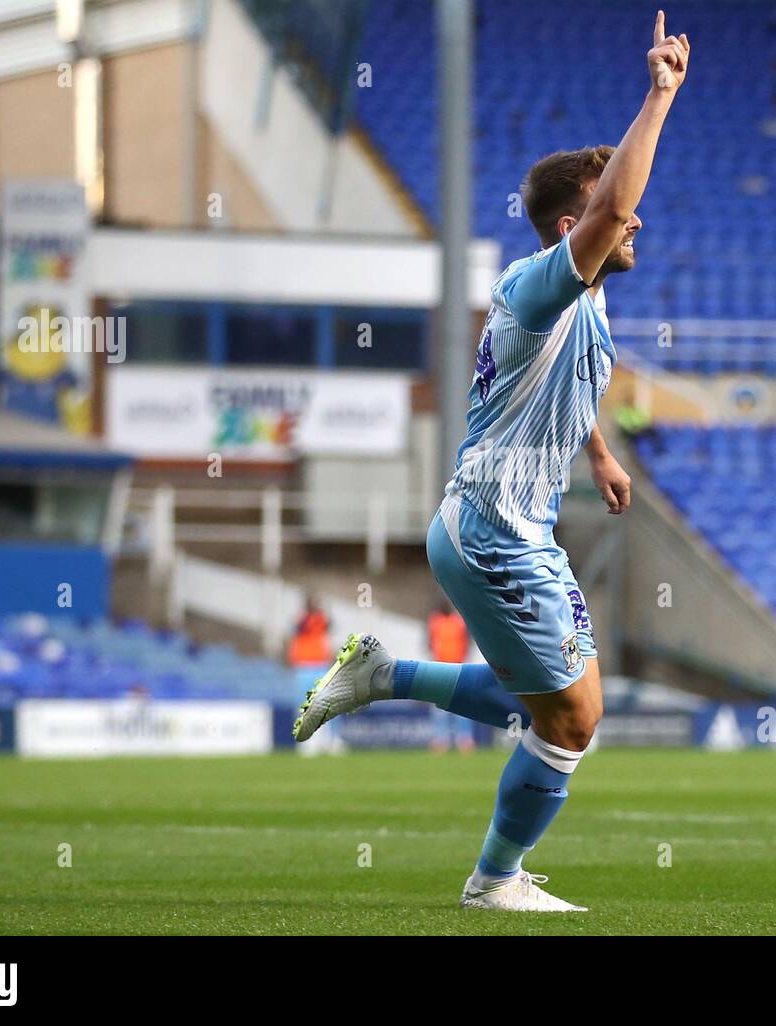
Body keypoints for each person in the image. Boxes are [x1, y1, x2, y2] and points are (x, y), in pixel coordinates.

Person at [293, 12, 691, 913]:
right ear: (571, 222)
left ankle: (383, 676)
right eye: (608, 211)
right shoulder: (536, 282)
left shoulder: (578, 310)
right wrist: (659, 96)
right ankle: (493, 881)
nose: (635, 225)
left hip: (511, 526)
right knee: (573, 720)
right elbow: (617, 208)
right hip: (493, 530)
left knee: (554, 707)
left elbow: (558, 388)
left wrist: (597, 453)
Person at [427, 601, 476, 753]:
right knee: (439, 708)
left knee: (462, 705)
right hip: (440, 668)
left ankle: (464, 739)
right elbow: (429, 642)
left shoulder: (459, 621)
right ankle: (441, 740)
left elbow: (467, 641)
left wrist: (463, 658)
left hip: (458, 668)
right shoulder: (435, 621)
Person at [288, 599, 332, 668]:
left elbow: (329, 626)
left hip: (318, 660)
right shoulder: (303, 619)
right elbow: (298, 628)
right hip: (304, 661)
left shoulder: (320, 619)